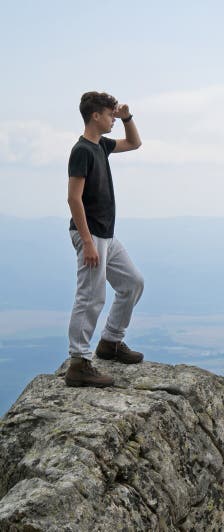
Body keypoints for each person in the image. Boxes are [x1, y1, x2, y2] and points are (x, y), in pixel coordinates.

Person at [64, 91, 145, 388]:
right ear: (95, 116)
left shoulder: (102, 146)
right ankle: (79, 363)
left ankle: (110, 342)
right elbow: (73, 199)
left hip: (105, 235)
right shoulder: (83, 150)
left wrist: (127, 118)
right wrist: (86, 242)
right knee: (91, 296)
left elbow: (135, 143)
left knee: (132, 283)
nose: (113, 119)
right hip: (91, 234)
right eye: (110, 115)